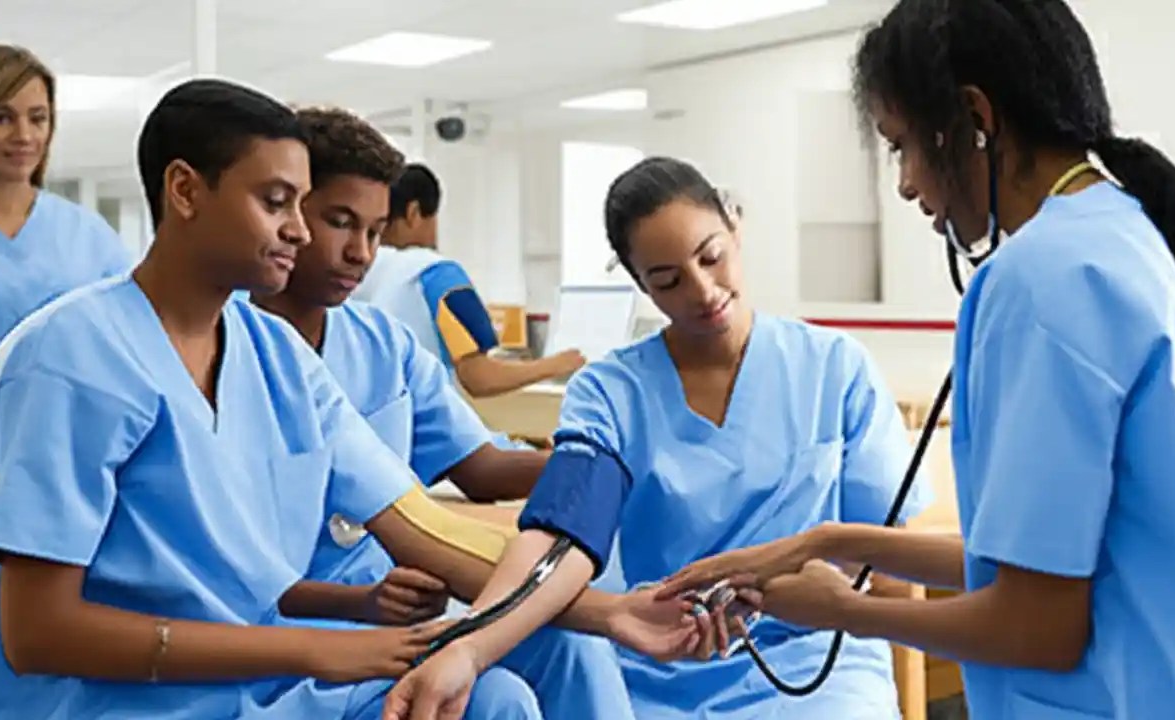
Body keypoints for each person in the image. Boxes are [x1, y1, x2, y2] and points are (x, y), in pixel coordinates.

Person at [0, 79, 691, 720]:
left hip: (260, 679)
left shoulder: (277, 357)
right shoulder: (73, 357)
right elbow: (39, 633)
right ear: (185, 190)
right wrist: (314, 652)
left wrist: (610, 612)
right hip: (126, 701)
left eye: (301, 205)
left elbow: (423, 529)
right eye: (276, 202)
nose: (297, 228)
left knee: (491, 696)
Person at [658, 2, 1175, 719]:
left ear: (974, 119)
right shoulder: (1135, 237)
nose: (908, 184)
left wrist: (845, 610)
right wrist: (825, 540)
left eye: (902, 146)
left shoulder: (1041, 281)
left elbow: (1038, 625)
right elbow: (1054, 568)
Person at [383, 156, 930, 720]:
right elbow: (563, 532)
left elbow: (885, 557)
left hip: (813, 661)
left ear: (735, 225)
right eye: (667, 280)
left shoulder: (834, 369)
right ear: (640, 283)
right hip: (658, 662)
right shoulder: (613, 391)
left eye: (711, 257)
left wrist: (838, 602)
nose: (703, 290)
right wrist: (472, 645)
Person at [251, 105, 637, 720]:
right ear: (292, 214)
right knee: (499, 697)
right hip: (293, 625)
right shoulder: (229, 354)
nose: (360, 253)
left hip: (401, 604)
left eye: (375, 233)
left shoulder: (382, 345)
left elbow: (480, 468)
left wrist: (598, 463)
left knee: (571, 646)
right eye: (340, 223)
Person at [354, 163, 585, 399]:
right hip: (424, 425)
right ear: (414, 212)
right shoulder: (437, 274)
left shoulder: (357, 269)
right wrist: (556, 365)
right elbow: (477, 376)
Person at [0, 44, 130, 360]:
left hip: (70, 408)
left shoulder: (87, 234)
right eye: (1, 118)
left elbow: (129, 331)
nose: (23, 135)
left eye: (37, 119)